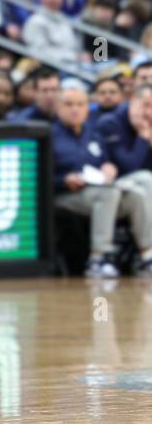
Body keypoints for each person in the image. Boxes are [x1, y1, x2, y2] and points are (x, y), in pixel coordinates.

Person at [53, 82, 152, 278]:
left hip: (96, 190)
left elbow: (105, 162)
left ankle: (146, 255)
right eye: (69, 104)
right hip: (64, 195)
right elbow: (41, 178)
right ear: (58, 108)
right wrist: (63, 180)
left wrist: (109, 167)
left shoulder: (93, 133)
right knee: (109, 193)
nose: (75, 109)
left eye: (80, 104)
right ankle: (100, 257)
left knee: (136, 195)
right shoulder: (50, 136)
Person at [96, 83, 152, 276]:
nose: (148, 112)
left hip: (139, 187)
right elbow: (128, 166)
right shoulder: (111, 123)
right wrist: (143, 138)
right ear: (131, 102)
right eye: (144, 105)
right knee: (146, 179)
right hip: (113, 183)